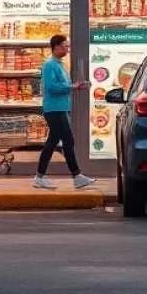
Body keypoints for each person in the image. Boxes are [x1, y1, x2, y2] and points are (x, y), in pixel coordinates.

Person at [34, 34, 95, 190]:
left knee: (51, 143)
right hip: (54, 109)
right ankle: (76, 175)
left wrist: (76, 86)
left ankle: (39, 177)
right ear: (56, 47)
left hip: (61, 107)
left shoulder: (60, 65)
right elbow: (52, 87)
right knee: (68, 141)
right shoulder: (49, 65)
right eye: (65, 46)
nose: (68, 48)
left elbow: (63, 86)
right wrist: (72, 87)